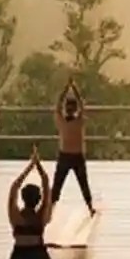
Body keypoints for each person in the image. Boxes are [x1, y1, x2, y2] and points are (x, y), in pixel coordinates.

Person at [51, 77, 96, 217]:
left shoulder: (63, 121)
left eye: (71, 108)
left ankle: (89, 207)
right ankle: (89, 207)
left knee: (71, 184)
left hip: (69, 156)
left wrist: (69, 89)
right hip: (73, 156)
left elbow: (59, 105)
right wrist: (72, 89)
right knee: (63, 184)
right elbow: (81, 106)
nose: (70, 110)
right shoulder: (79, 121)